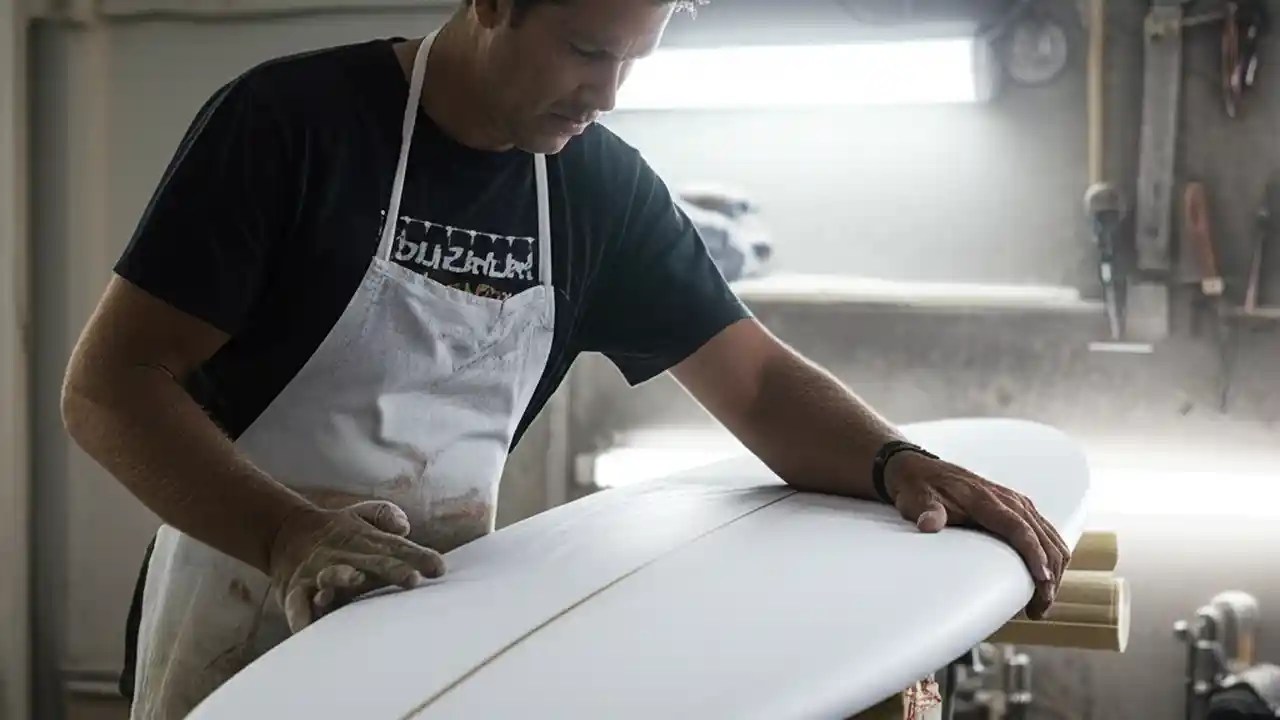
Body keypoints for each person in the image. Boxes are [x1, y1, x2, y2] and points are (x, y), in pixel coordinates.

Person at [60, 0, 1069, 717]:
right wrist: (291, 540)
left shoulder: (597, 192)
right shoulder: (291, 127)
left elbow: (754, 381)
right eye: (587, 49)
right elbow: (109, 390)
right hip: (240, 600)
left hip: (438, 615)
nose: (608, 92)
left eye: (634, 58)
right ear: (491, 1)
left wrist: (896, 461)